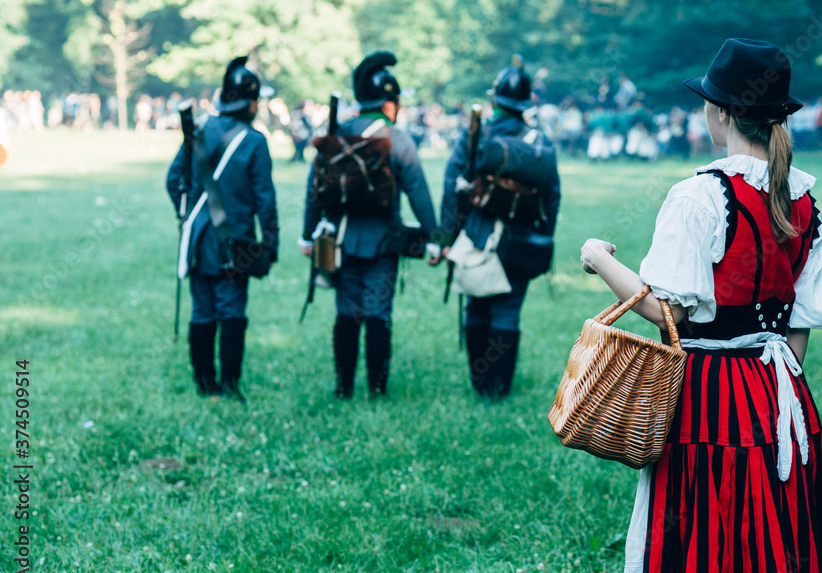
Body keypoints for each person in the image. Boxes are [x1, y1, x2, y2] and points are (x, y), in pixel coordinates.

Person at [579, 39, 822, 573]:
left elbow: (667, 311)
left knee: (705, 525)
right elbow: (800, 323)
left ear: (721, 113)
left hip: (708, 393)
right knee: (773, 524)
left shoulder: (699, 196)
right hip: (781, 390)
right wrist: (770, 387)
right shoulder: (801, 200)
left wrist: (598, 259)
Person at [299, 51, 438, 399]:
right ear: (389, 104)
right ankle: (376, 388)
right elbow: (418, 192)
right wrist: (436, 238)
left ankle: (343, 386)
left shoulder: (338, 134)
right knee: (378, 313)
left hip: (340, 240)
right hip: (383, 241)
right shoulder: (398, 139)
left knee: (346, 311)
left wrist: (307, 235)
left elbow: (315, 189)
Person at [434, 62, 561, 399]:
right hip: (521, 240)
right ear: (526, 104)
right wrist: (543, 238)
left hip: (478, 234)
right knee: (508, 310)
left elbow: (452, 187)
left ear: (495, 100)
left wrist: (447, 238)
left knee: (476, 305)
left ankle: (481, 384)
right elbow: (552, 197)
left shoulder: (476, 137)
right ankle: (499, 388)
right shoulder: (541, 142)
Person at [167, 56, 279, 403]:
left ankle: (205, 385)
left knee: (202, 310)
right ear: (250, 103)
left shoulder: (199, 130)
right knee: (231, 311)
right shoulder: (255, 141)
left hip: (199, 240)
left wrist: (187, 216)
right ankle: (229, 385)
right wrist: (270, 244)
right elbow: (265, 200)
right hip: (237, 243)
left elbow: (174, 180)